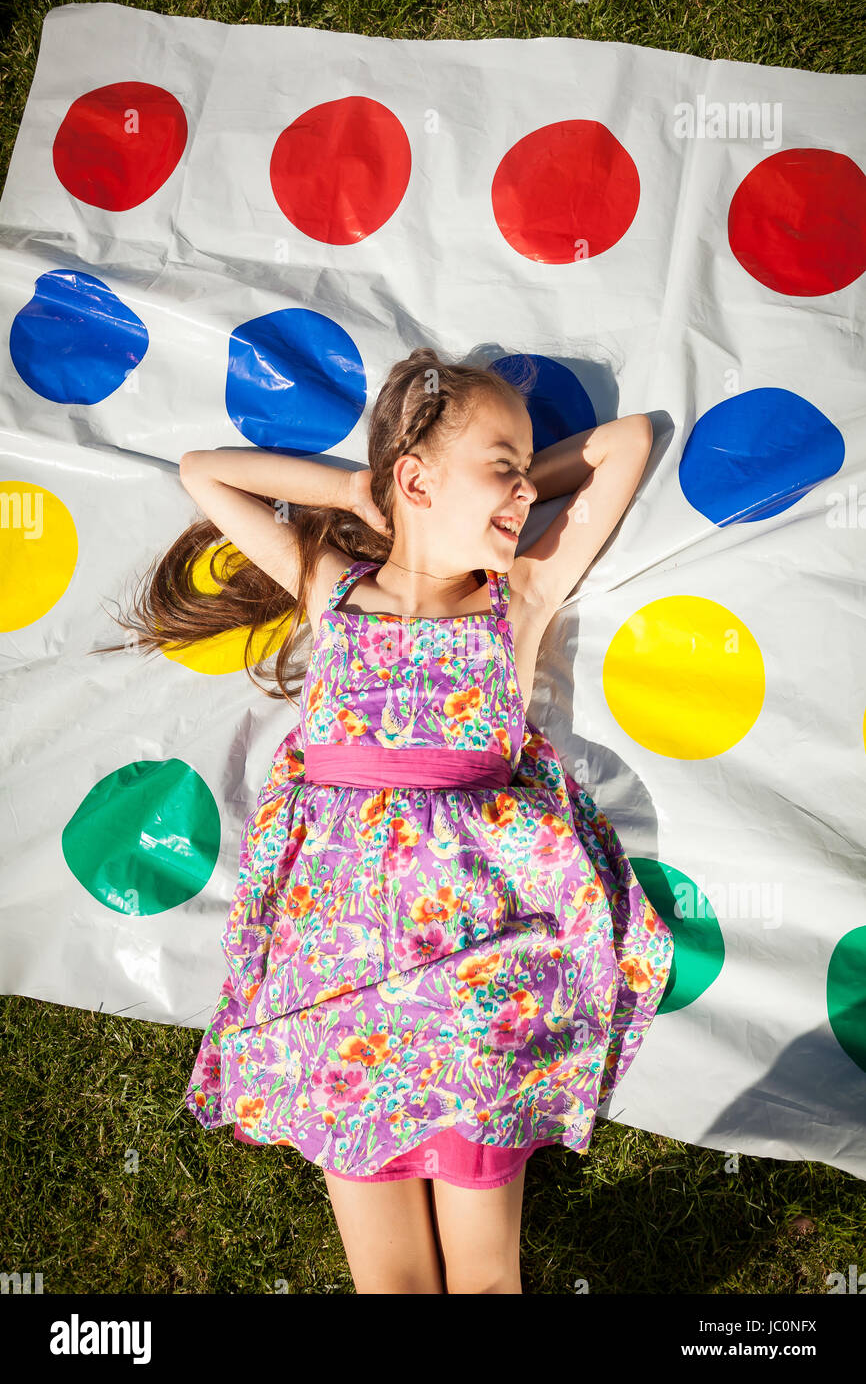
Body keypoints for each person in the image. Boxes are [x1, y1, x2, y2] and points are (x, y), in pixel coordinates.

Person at [96, 347, 674, 1294]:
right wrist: (357, 490)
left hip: (477, 970)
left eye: (529, 475)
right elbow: (206, 474)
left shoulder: (514, 599)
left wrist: (497, 487)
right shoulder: (330, 587)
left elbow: (625, 444)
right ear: (413, 476)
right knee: (390, 1280)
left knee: (487, 1274)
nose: (528, 495)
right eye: (505, 466)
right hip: (339, 977)